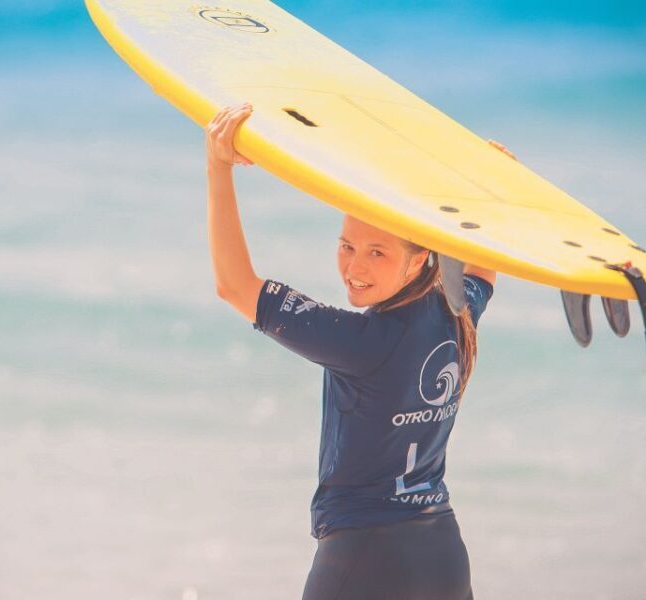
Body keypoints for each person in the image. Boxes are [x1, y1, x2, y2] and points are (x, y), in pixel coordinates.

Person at [205, 102, 501, 600]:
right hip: (443, 556)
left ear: (418, 261)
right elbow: (483, 269)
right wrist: (488, 188)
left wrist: (218, 167)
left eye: (377, 252)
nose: (354, 267)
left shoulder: (361, 342)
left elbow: (234, 286)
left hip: (365, 560)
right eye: (347, 246)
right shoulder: (456, 314)